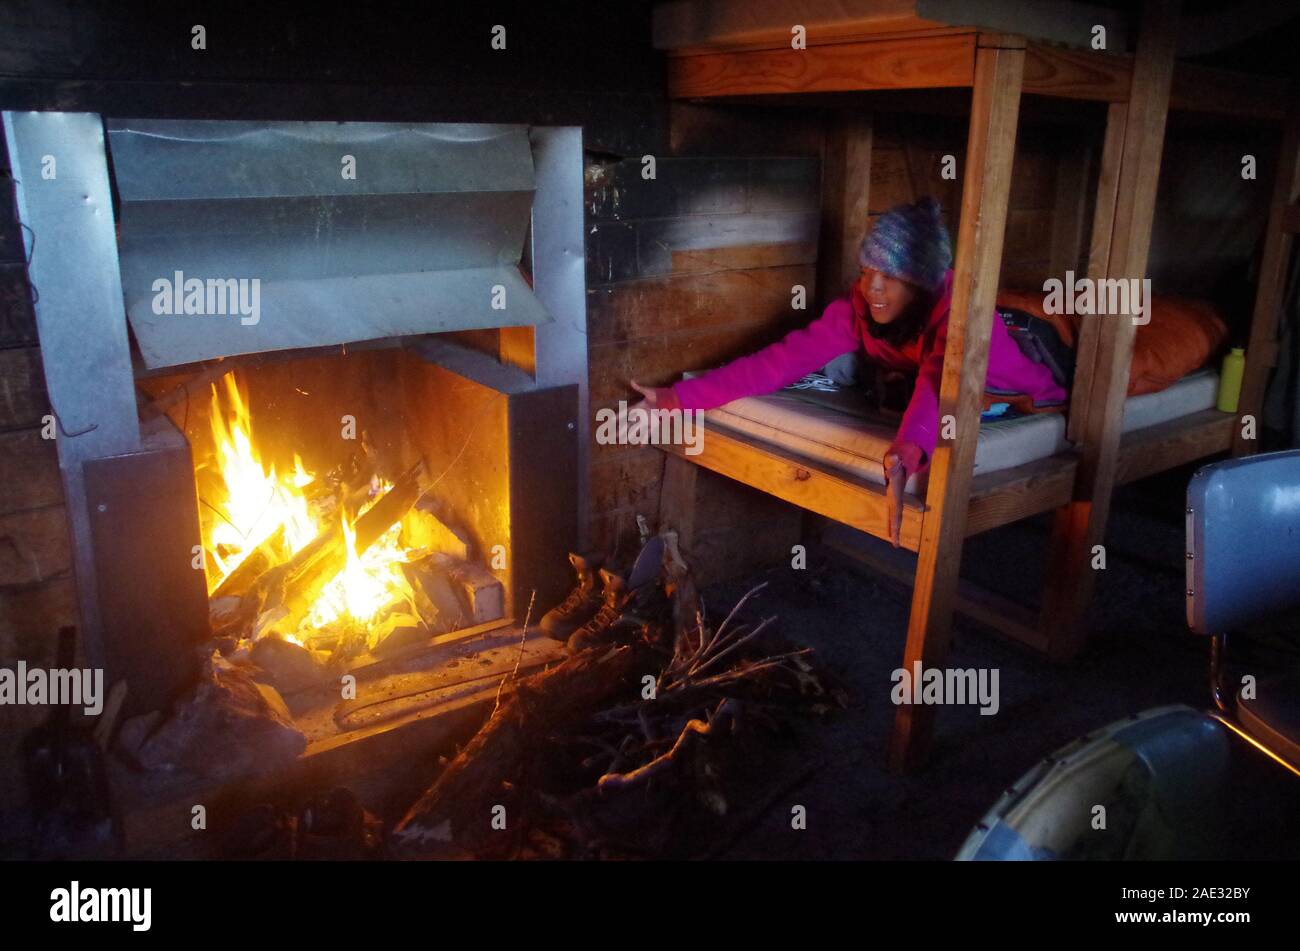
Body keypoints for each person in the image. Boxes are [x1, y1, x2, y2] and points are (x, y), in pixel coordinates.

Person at [630, 196, 1067, 547]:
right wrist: (678, 397)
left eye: (889, 277)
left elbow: (939, 384)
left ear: (923, 285)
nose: (872, 287)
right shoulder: (858, 308)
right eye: (865, 271)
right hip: (945, 364)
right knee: (846, 364)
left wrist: (905, 453)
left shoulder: (961, 318)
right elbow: (779, 361)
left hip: (1034, 373)